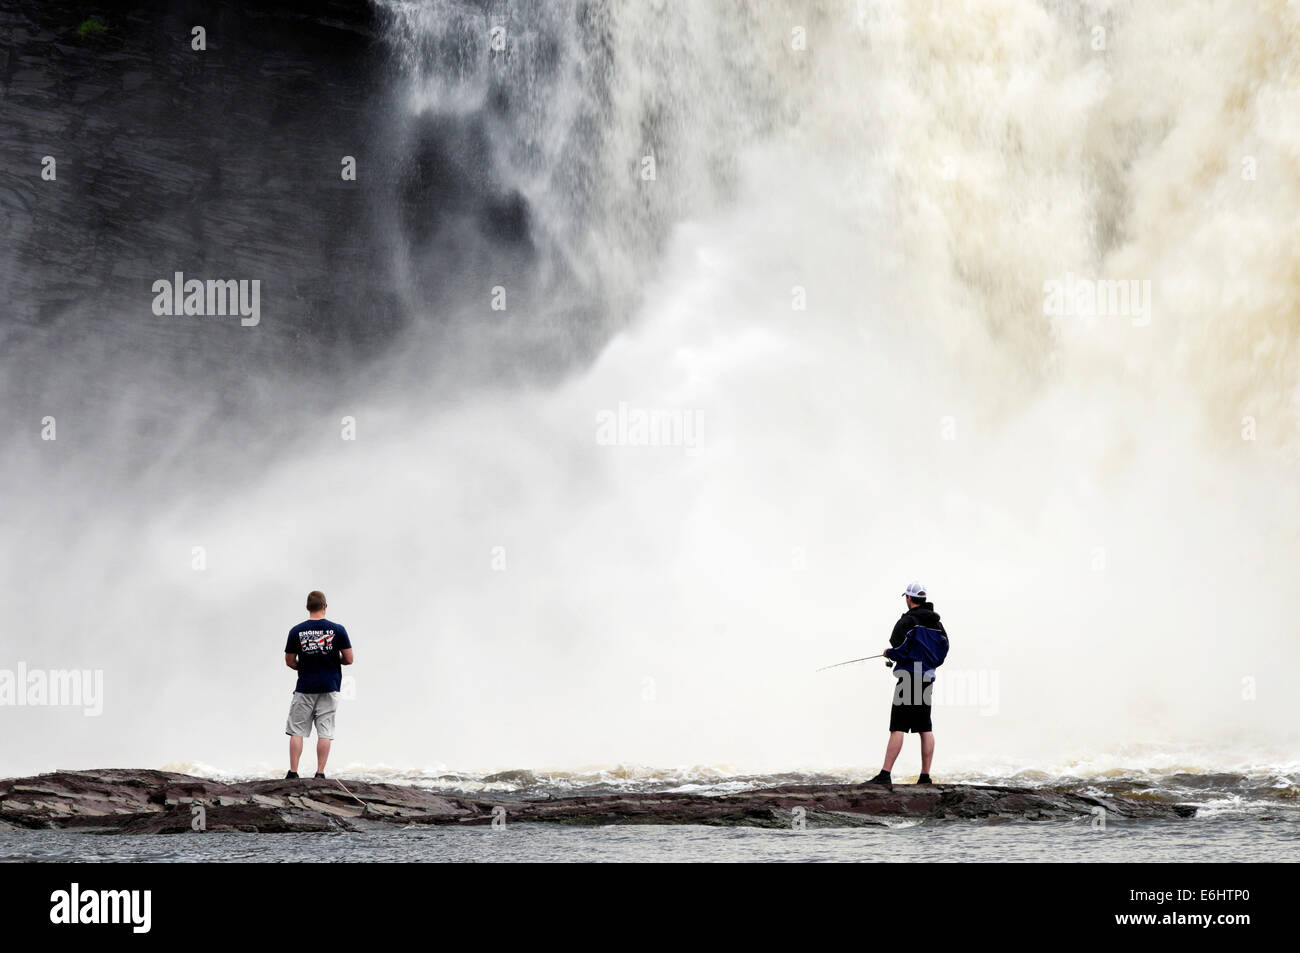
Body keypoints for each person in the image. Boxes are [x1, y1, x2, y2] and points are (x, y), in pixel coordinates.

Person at [864, 581, 945, 791]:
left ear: (909, 599)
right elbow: (944, 650)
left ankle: (884, 775)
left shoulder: (907, 621)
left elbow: (898, 647)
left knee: (898, 726)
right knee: (925, 727)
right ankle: (925, 777)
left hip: (908, 677)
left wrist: (888, 653)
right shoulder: (938, 624)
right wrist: (929, 664)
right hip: (927, 678)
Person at [283, 590, 353, 780]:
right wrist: (331, 660)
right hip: (330, 686)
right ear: (324, 606)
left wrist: (304, 666)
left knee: (297, 730)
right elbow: (349, 659)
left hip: (305, 686)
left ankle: (293, 772)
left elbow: (289, 661)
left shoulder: (296, 631)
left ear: (307, 607)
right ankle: (320, 773)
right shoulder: (338, 630)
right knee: (325, 731)